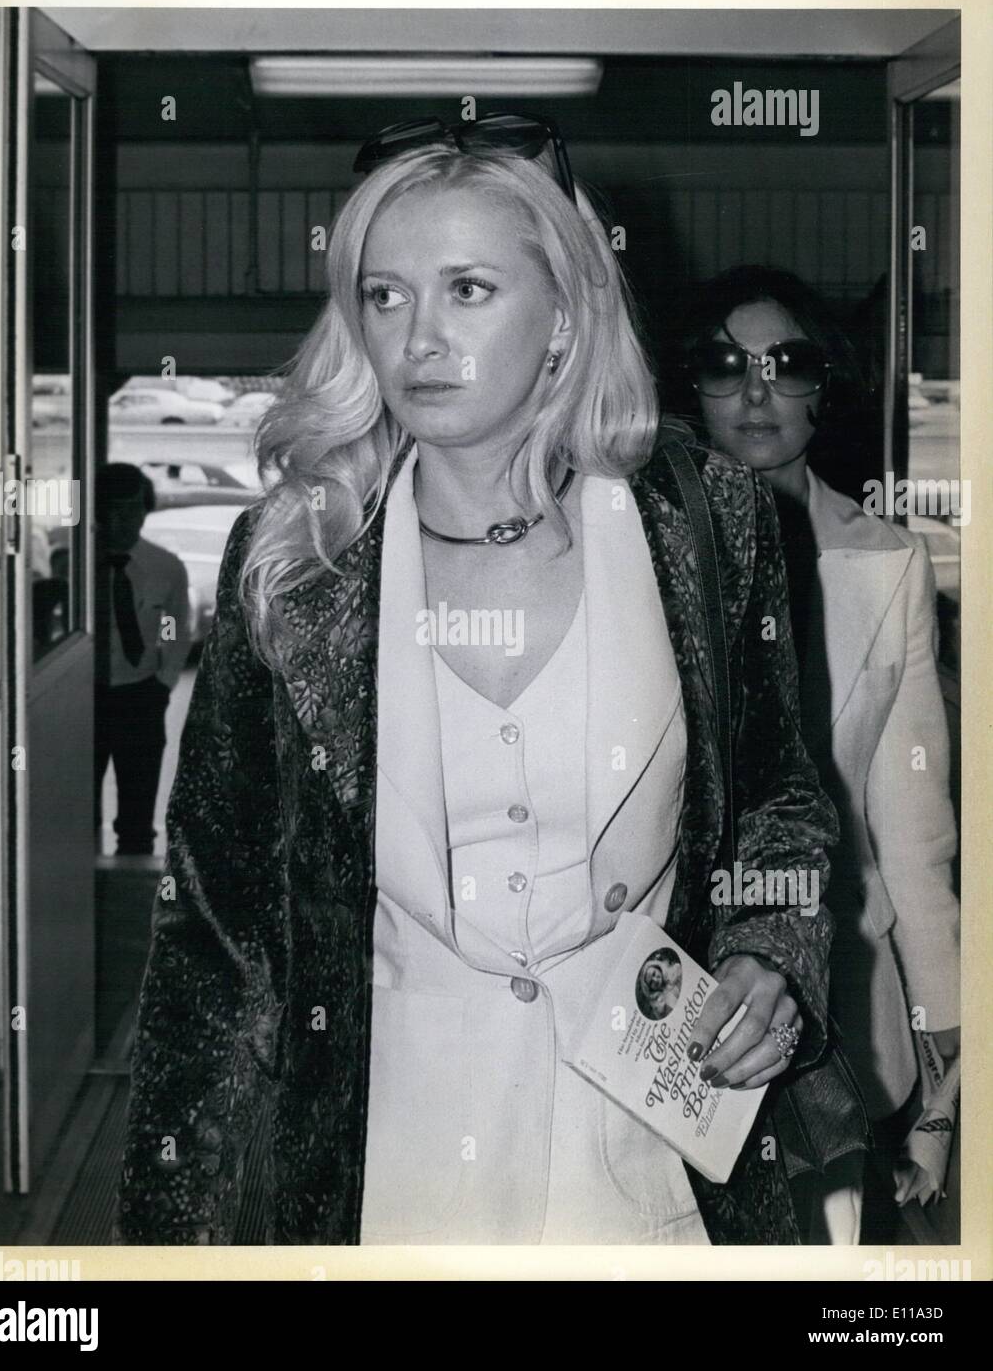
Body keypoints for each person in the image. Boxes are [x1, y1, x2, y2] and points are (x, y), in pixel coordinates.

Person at [116, 117, 839, 1246]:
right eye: (386, 294)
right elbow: (216, 940)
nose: (418, 339)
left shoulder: (703, 522)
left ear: (560, 317)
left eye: (467, 289)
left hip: (647, 1169)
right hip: (388, 1173)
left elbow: (775, 802)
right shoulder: (296, 561)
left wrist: (766, 950)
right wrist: (172, 1240)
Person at [678, 265, 961, 1243]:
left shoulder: (886, 559)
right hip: (682, 1007)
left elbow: (913, 834)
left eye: (783, 364)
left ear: (818, 387)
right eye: (724, 365)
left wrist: (945, 1036)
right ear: (691, 390)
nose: (755, 393)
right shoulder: (637, 554)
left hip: (842, 1001)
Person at [94, 463, 191, 858]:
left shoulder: (163, 569)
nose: (122, 519)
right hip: (84, 697)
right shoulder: (74, 562)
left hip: (140, 698)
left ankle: (133, 898)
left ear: (145, 509)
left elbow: (172, 629)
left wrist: (162, 682)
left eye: (132, 507)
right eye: (112, 508)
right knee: (77, 805)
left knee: (137, 813)